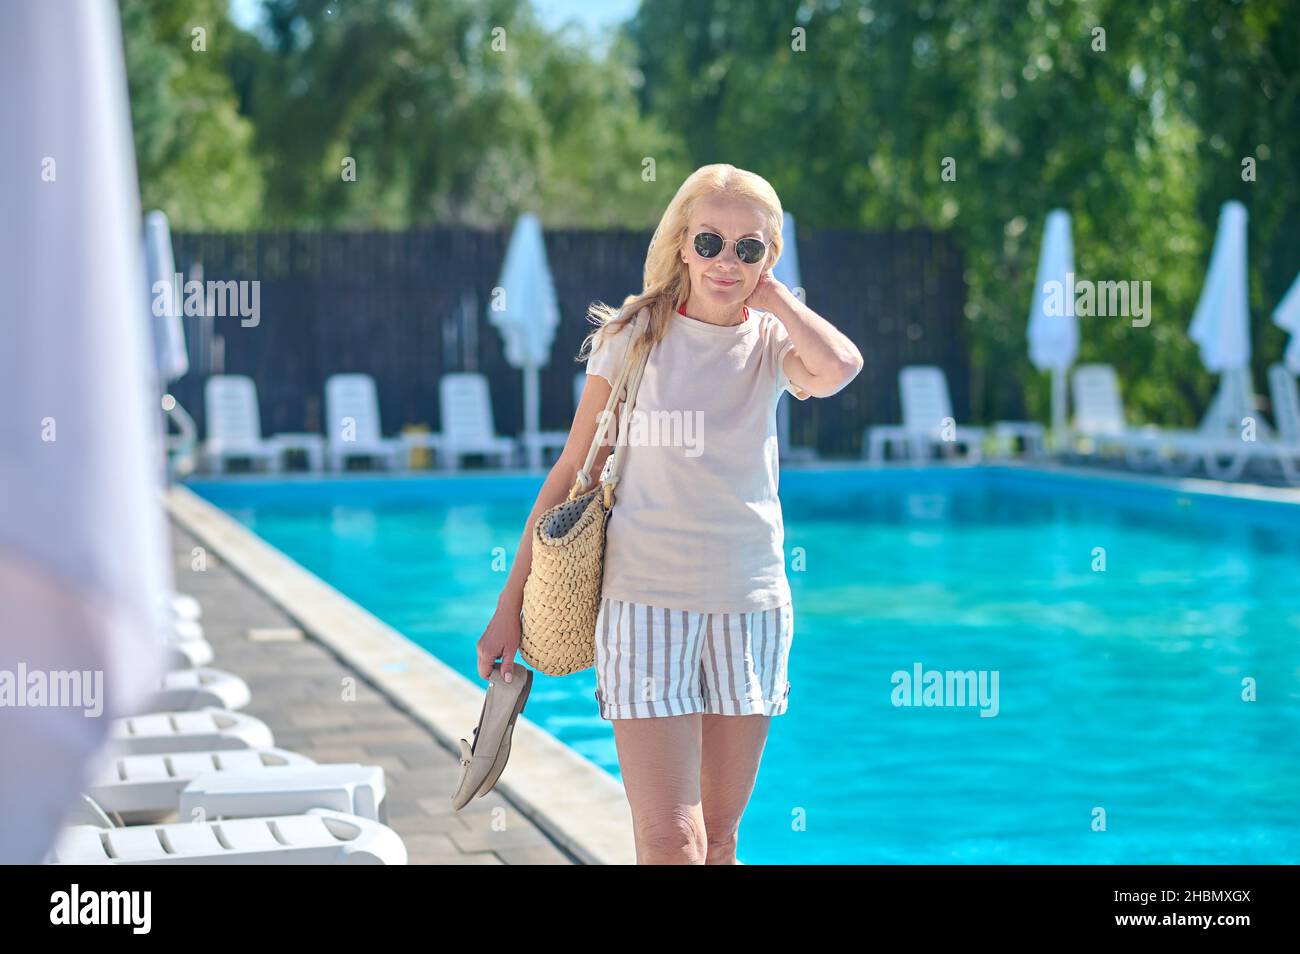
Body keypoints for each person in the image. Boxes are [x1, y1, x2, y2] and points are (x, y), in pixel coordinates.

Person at [477, 163, 863, 864]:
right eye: (710, 241)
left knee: (720, 841)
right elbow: (570, 472)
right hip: (645, 604)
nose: (726, 261)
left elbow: (840, 367)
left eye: (749, 248)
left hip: (749, 609)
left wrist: (773, 293)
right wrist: (512, 605)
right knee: (669, 839)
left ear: (768, 258)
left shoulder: (773, 344)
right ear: (682, 243)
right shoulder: (633, 337)